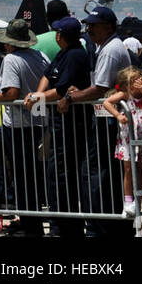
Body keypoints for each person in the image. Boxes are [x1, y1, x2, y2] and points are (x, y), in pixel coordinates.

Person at [65, 7, 131, 237]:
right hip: (106, 117)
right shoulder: (106, 47)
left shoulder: (111, 50)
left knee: (97, 171)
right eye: (88, 24)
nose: (89, 28)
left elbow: (100, 89)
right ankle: (108, 224)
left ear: (109, 27)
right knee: (101, 171)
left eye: (94, 24)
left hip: (107, 120)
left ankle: (100, 226)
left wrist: (71, 97)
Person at [24, 15, 91, 238]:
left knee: (63, 175)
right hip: (57, 122)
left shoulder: (75, 56)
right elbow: (48, 75)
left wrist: (38, 97)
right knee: (54, 174)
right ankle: (59, 223)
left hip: (71, 124)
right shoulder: (63, 54)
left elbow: (61, 90)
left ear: (60, 35)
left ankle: (68, 227)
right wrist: (38, 94)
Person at [0, 18, 49, 236]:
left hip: (19, 126)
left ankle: (30, 225)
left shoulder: (11, 60)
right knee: (33, 176)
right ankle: (29, 220)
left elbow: (11, 93)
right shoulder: (41, 56)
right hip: (40, 123)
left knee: (22, 177)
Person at [101, 66, 142, 218]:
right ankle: (128, 202)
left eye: (140, 78)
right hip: (127, 137)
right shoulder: (124, 94)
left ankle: (138, 202)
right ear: (128, 83)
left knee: (140, 170)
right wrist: (117, 115)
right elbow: (107, 102)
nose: (139, 81)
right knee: (128, 169)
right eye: (135, 80)